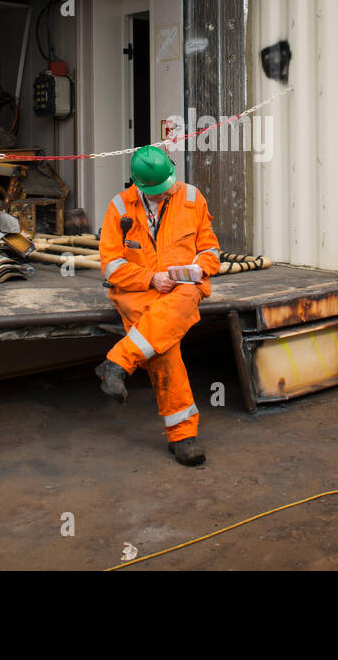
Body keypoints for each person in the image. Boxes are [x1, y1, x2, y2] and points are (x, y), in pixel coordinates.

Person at [95, 146, 221, 466]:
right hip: (138, 291)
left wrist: (198, 268)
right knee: (164, 346)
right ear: (137, 184)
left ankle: (119, 362)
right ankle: (182, 436)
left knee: (170, 318)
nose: (165, 196)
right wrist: (150, 279)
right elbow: (111, 266)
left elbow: (210, 250)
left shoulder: (193, 198)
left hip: (182, 290)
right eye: (157, 194)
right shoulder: (119, 207)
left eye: (167, 190)